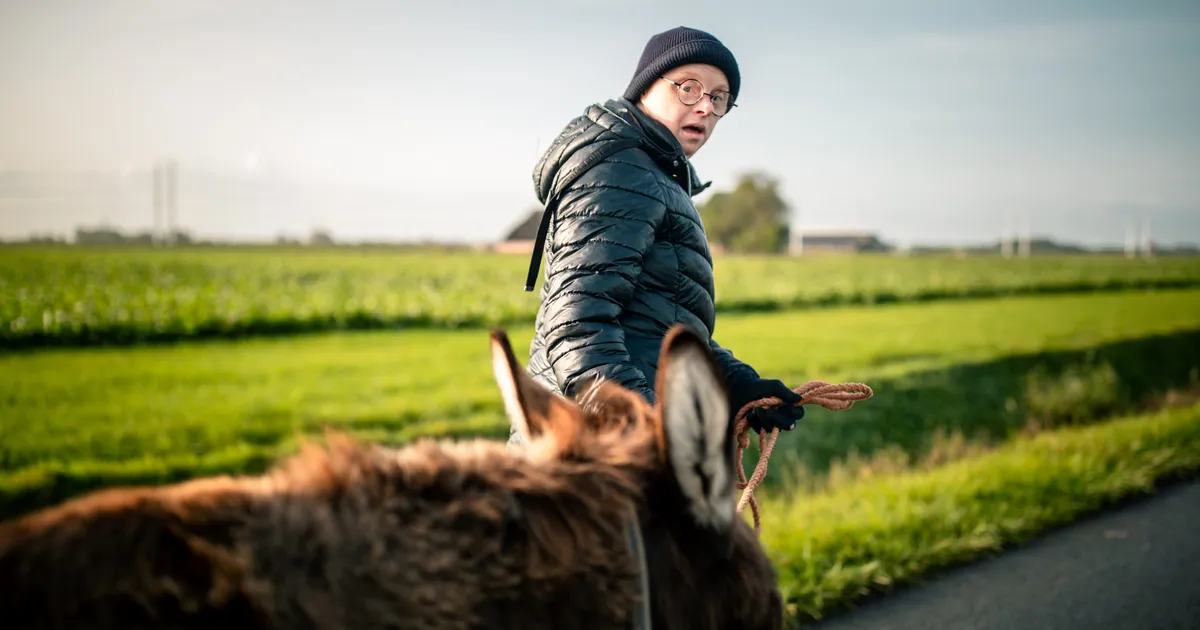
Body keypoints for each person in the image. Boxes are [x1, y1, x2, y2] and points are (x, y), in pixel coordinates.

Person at [510, 26, 804, 448]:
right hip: (589, 458)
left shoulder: (653, 176)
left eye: (719, 98)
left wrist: (736, 384)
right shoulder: (621, 173)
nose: (705, 106)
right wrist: (644, 431)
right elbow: (577, 326)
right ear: (646, 89)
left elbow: (658, 322)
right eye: (689, 87)